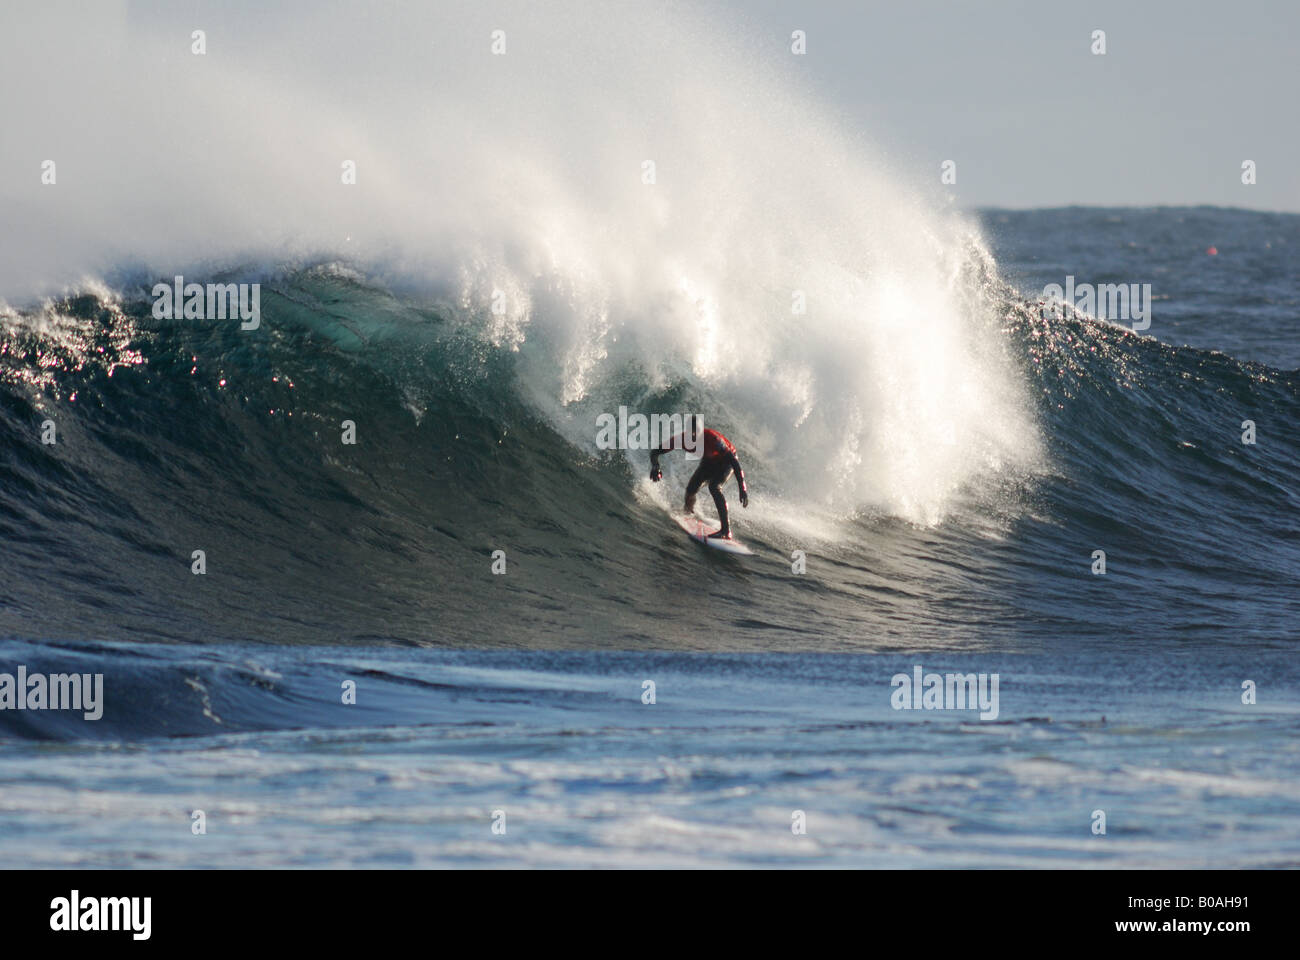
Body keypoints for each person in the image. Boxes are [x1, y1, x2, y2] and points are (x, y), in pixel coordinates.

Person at [650, 421, 748, 539]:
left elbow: (734, 462)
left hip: (726, 462)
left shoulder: (714, 439)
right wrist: (656, 466)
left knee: (714, 487)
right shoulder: (680, 440)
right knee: (691, 490)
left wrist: (742, 488)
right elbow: (655, 452)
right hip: (709, 460)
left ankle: (726, 531)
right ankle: (688, 513)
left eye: (697, 436)